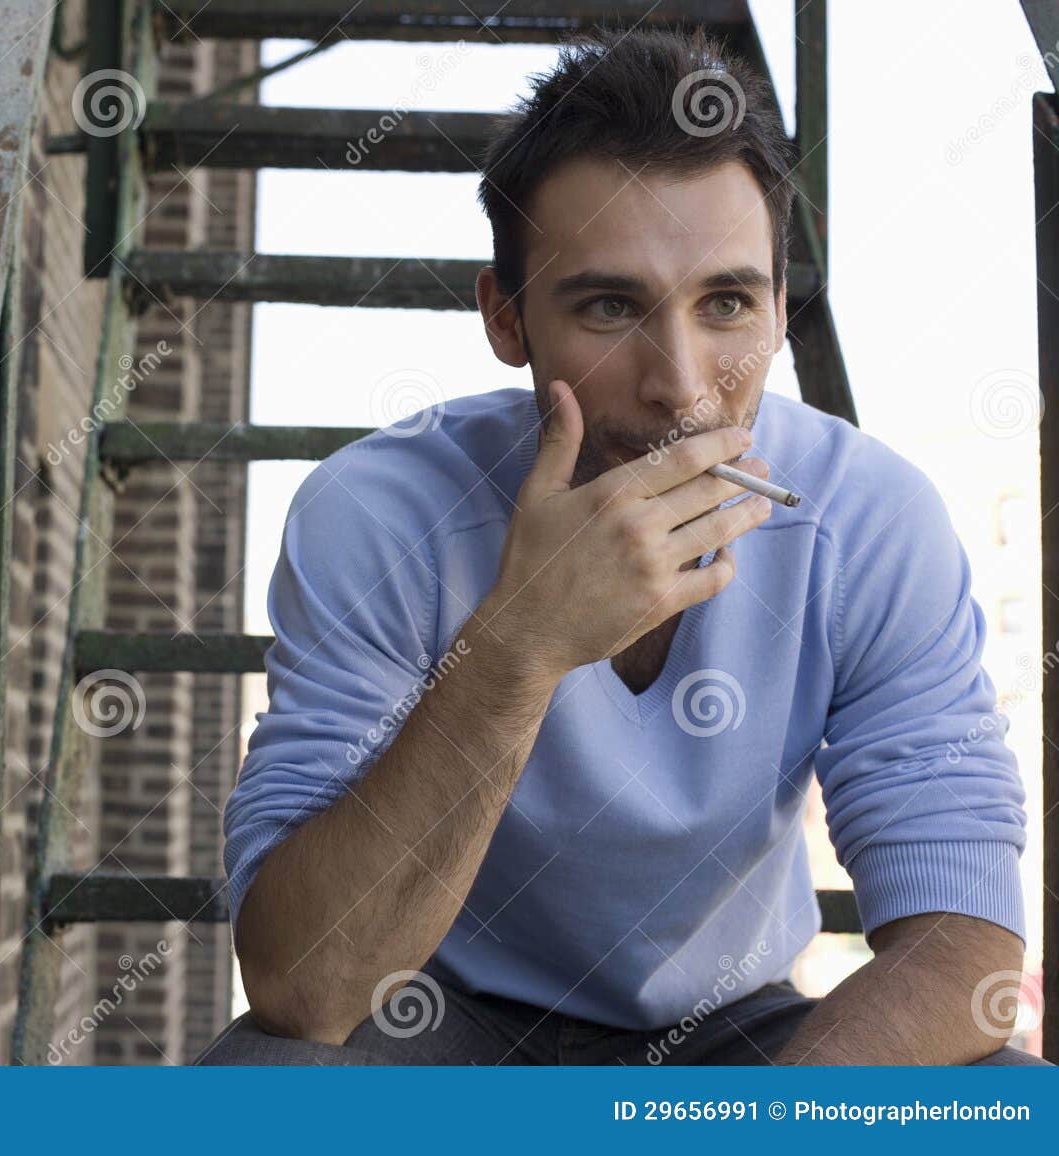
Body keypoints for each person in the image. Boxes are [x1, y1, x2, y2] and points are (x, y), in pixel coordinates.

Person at [195, 25, 1046, 1066]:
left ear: (781, 309)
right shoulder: (377, 513)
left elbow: (964, 949)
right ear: (505, 318)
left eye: (726, 302)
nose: (681, 385)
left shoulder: (868, 520)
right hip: (439, 1024)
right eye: (609, 305)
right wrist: (519, 644)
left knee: (1002, 1097)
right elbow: (303, 982)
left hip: (739, 1037)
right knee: (268, 1075)